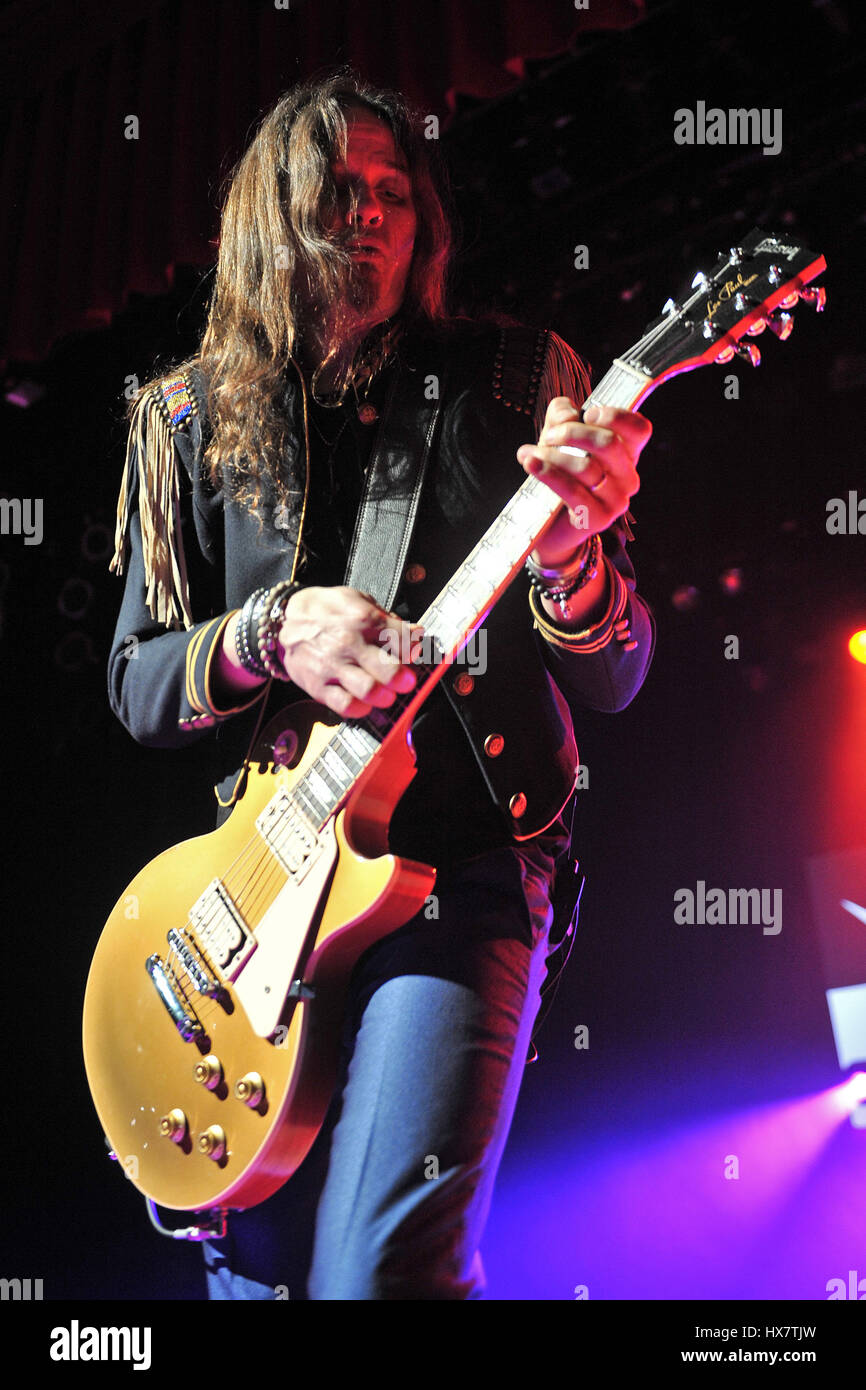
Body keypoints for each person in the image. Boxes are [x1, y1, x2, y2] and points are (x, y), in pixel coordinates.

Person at [107, 70, 655, 1300]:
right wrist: (267, 633)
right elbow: (136, 681)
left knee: (378, 1276)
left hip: (457, 876)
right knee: (254, 1274)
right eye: (334, 190)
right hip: (261, 900)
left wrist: (567, 566)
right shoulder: (188, 419)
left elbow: (617, 676)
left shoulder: (515, 381)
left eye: (391, 192)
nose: (366, 214)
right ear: (269, 215)